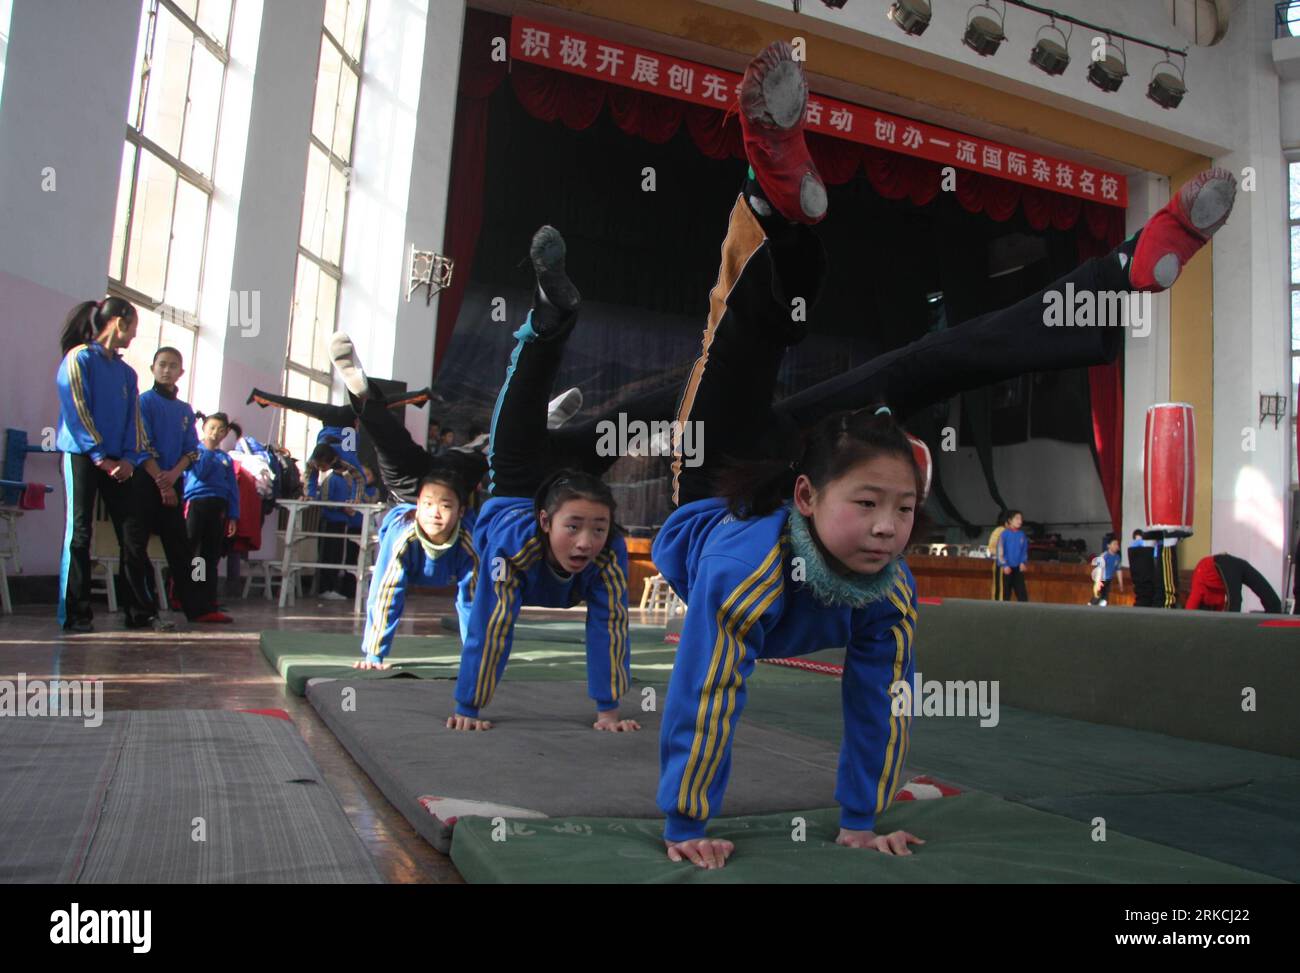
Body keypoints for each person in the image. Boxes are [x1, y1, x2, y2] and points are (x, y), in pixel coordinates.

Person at [651, 40, 1239, 867]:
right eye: (871, 507)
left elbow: (883, 698)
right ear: (809, 497)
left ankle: (1121, 271)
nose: (889, 528)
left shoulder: (888, 588)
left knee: (924, 365)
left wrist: (862, 818)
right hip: (714, 487)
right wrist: (686, 823)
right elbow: (707, 690)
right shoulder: (741, 567)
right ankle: (772, 198)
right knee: (733, 349)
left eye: (902, 509)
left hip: (810, 459)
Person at [336, 227, 639, 732]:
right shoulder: (506, 547)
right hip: (520, 479)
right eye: (575, 529)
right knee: (456, 431)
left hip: (535, 472)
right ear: (545, 523)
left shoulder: (606, 549)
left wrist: (609, 711)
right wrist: (468, 706)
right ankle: (552, 316)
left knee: (630, 415)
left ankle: (559, 382)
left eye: (598, 530)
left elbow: (611, 625)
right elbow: (491, 623)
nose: (587, 543)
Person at [56, 297, 175, 633]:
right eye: (134, 327)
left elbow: (133, 422)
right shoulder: (79, 358)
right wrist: (99, 457)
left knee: (132, 532)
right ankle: (76, 614)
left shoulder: (126, 373)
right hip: (82, 456)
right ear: (120, 322)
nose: (134, 335)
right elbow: (77, 409)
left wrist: (126, 459)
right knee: (80, 532)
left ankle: (140, 612)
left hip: (119, 463)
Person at [137, 347, 230, 623]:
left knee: (181, 548)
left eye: (173, 366)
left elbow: (191, 450)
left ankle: (197, 607)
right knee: (136, 546)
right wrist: (162, 481)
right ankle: (143, 611)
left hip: (174, 483)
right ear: (152, 368)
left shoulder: (185, 410)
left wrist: (174, 476)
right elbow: (141, 445)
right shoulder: (143, 402)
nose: (167, 370)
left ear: (181, 372)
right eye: (162, 364)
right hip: (146, 481)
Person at [356, 467, 479, 669]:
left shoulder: (468, 544)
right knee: (386, 590)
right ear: (418, 506)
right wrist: (374, 654)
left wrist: (476, 655)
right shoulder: (402, 539)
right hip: (403, 541)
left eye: (446, 506)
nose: (435, 513)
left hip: (451, 559)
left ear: (461, 512)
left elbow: (472, 602)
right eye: (428, 504)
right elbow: (385, 596)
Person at [183, 412, 240, 617]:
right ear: (204, 429)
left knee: (211, 554)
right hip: (197, 504)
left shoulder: (225, 458)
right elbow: (200, 473)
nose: (215, 433)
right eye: (212, 428)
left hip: (218, 507)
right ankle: (190, 595)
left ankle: (209, 598)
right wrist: (207, 449)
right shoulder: (195, 452)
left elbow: (232, 489)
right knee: (195, 552)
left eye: (220, 429)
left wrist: (233, 515)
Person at [305, 443, 364, 601]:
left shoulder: (348, 463)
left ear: (333, 461)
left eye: (323, 466)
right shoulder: (329, 478)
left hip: (342, 521)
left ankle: (330, 587)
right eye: (318, 466)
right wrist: (309, 494)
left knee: (336, 554)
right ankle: (325, 588)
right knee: (328, 553)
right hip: (330, 520)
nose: (320, 469)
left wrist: (355, 500)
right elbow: (311, 477)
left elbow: (360, 479)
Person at [1185, 553, 1283, 613]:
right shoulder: (1215, 598)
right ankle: (1275, 610)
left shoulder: (1198, 586)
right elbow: (1219, 610)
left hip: (1222, 563)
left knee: (1234, 603)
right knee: (1272, 601)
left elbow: (1189, 609)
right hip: (1236, 564)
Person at [997, 510, 1029, 602]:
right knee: (1006, 594)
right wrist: (1005, 565)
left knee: (1022, 595)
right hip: (1006, 569)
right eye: (1017, 518)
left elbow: (1024, 551)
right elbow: (1000, 551)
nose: (1020, 521)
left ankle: (1024, 610)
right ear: (1010, 520)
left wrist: (1023, 562)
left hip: (1018, 568)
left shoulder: (1022, 535)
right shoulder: (1004, 534)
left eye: (1021, 519)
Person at [1088, 533, 1123, 606]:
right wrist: (1098, 582)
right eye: (1114, 544)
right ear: (1108, 545)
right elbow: (1099, 569)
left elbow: (1118, 570)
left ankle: (1102, 608)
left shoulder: (1117, 557)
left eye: (1117, 544)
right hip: (1101, 579)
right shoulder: (1104, 556)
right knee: (1096, 596)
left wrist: (1120, 583)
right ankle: (1089, 606)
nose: (1116, 546)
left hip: (1108, 580)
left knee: (1105, 598)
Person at [988, 513, 1007, 600]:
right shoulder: (999, 530)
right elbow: (992, 547)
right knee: (999, 586)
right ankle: (997, 604)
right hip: (1001, 563)